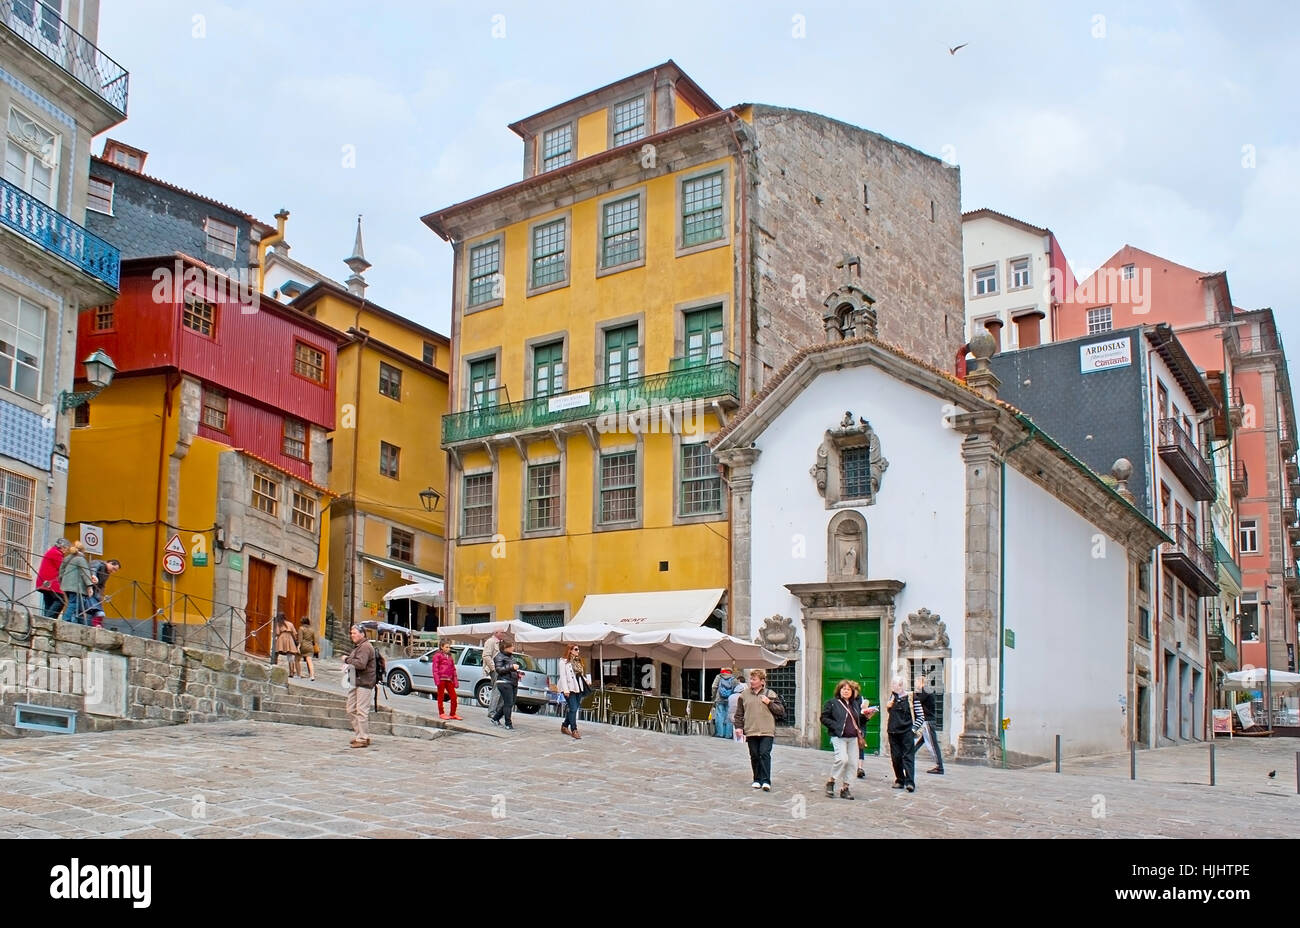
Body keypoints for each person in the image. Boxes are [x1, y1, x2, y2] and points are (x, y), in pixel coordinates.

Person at [734, 668, 785, 791]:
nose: (751, 681)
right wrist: (739, 727)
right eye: (750, 679)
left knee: (764, 753)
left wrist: (769, 703)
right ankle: (757, 779)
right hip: (751, 730)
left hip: (767, 730)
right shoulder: (744, 695)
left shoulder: (770, 694)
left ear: (762, 681)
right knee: (755, 755)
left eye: (754, 679)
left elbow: (781, 711)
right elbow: (739, 713)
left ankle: (766, 781)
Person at [821, 679, 865, 800]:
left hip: (853, 738)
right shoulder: (832, 703)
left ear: (852, 692)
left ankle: (845, 788)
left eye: (848, 689)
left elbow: (858, 721)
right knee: (842, 759)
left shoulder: (854, 705)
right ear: (839, 690)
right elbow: (824, 718)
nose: (846, 691)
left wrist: (866, 716)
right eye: (844, 689)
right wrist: (836, 726)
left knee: (853, 764)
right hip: (839, 736)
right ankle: (831, 781)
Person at [885, 675, 924, 792]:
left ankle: (910, 782)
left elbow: (921, 716)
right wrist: (889, 706)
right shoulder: (892, 697)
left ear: (900, 685)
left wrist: (913, 730)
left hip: (907, 732)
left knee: (908, 757)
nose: (892, 687)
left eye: (894, 685)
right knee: (895, 757)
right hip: (893, 731)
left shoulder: (912, 698)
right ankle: (899, 779)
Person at [343, 624, 376, 748]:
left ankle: (363, 738)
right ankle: (360, 735)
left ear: (362, 634)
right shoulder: (359, 646)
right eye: (351, 633)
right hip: (355, 681)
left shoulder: (365, 647)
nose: (352, 635)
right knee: (350, 709)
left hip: (364, 682)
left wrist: (346, 660)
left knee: (361, 711)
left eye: (354, 633)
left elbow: (361, 664)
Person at [914, 673, 945, 775]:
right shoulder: (926, 691)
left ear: (920, 682)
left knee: (932, 744)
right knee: (921, 741)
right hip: (927, 721)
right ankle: (909, 754)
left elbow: (917, 700)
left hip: (927, 721)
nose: (915, 684)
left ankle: (939, 767)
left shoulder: (925, 691)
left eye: (916, 682)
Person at [57, 541, 93, 625]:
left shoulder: (67, 558)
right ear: (82, 551)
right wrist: (90, 586)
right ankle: (66, 620)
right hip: (76, 586)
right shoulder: (80, 559)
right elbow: (85, 573)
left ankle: (81, 622)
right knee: (74, 603)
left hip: (66, 585)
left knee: (78, 604)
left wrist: (62, 581)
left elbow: (61, 571)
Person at [489, 641, 522, 730]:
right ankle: (508, 723)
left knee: (510, 703)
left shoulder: (511, 656)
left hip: (513, 682)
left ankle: (495, 718)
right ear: (505, 648)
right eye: (511, 646)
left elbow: (511, 669)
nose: (513, 648)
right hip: (504, 682)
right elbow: (499, 669)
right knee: (508, 703)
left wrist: (518, 673)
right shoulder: (498, 656)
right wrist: (511, 667)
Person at [556, 644, 586, 740]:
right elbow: (563, 676)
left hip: (578, 687)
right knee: (573, 708)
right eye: (576, 649)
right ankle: (574, 730)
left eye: (578, 649)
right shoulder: (563, 661)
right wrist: (565, 690)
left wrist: (586, 680)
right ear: (570, 650)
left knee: (574, 708)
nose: (578, 651)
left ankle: (564, 726)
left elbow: (580, 675)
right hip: (569, 688)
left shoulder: (579, 661)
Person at [850, 680, 879, 779]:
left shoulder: (861, 699)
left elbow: (864, 714)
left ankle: (860, 768)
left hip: (861, 725)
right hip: (849, 725)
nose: (854, 693)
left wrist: (867, 711)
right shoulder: (846, 700)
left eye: (855, 691)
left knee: (860, 745)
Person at [35, 539, 69, 619]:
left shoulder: (51, 551)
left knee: (49, 602)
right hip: (51, 582)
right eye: (66, 549)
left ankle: (46, 619)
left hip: (43, 582)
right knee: (61, 600)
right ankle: (48, 619)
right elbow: (62, 569)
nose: (66, 551)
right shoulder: (56, 553)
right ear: (62, 547)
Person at [84, 558, 120, 628]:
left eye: (115, 570)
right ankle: (92, 624)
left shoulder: (107, 573)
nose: (113, 571)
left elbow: (102, 585)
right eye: (113, 568)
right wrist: (93, 579)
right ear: (110, 563)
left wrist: (101, 594)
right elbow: (93, 570)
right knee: (92, 609)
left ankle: (95, 624)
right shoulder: (98, 563)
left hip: (95, 592)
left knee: (97, 610)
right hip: (87, 588)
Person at [432, 639, 461, 720]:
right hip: (441, 679)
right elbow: (435, 668)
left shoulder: (450, 657)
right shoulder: (437, 656)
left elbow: (453, 669)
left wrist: (455, 681)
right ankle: (441, 713)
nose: (448, 649)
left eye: (449, 647)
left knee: (454, 697)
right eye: (446, 647)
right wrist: (437, 680)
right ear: (442, 647)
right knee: (440, 697)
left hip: (449, 679)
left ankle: (453, 713)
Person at [711, 667, 743, 738]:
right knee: (729, 717)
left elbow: (714, 686)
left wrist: (713, 696)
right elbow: (738, 688)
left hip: (719, 699)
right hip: (730, 700)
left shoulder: (719, 677)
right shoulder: (733, 678)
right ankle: (728, 734)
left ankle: (720, 733)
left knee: (719, 715)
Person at [482, 629, 506, 716]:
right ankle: (492, 711)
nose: (503, 634)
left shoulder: (502, 642)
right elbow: (486, 656)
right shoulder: (490, 641)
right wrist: (493, 668)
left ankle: (498, 712)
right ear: (496, 633)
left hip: (503, 669)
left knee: (502, 690)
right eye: (501, 632)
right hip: (496, 669)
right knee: (497, 690)